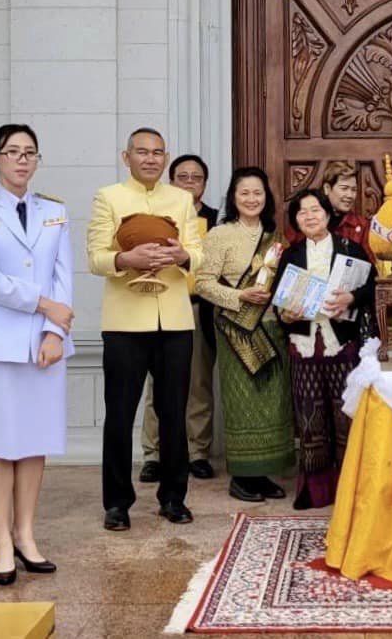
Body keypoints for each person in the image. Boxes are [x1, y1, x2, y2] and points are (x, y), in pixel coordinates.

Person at [0, 124, 72, 584]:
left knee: (34, 441)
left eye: (29, 153)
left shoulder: (55, 211)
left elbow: (62, 276)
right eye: (12, 152)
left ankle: (25, 534)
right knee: (0, 445)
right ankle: (0, 539)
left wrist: (53, 331)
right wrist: (43, 304)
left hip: (44, 341)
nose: (22, 160)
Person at [88, 127, 204, 531]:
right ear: (127, 157)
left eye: (157, 152)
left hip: (174, 319)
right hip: (124, 322)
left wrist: (183, 254)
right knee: (120, 414)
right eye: (142, 152)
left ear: (165, 156)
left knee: (173, 412)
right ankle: (117, 502)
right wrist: (127, 258)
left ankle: (173, 497)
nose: (151, 159)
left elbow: (199, 254)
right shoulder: (109, 197)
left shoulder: (182, 199)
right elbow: (95, 258)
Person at [196, 168, 296, 502]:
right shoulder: (220, 235)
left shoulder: (275, 237)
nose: (252, 199)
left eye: (258, 193)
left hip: (272, 328)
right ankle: (241, 476)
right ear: (233, 198)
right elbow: (203, 283)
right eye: (244, 193)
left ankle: (263, 473)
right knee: (243, 401)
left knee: (272, 401)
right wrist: (240, 297)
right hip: (236, 330)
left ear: (266, 197)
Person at [276, 188, 377, 509]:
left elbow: (372, 285)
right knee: (309, 418)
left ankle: (351, 491)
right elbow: (278, 301)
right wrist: (285, 314)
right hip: (304, 343)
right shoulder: (290, 255)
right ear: (295, 220)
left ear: (327, 213)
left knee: (346, 415)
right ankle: (315, 492)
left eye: (315, 210)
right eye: (302, 212)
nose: (309, 216)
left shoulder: (350, 248)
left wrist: (351, 298)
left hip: (341, 342)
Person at [141, 154, 219, 483]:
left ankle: (197, 452)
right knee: (156, 383)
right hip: (159, 304)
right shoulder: (153, 216)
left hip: (199, 307)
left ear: (204, 184)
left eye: (196, 177)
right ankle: (153, 454)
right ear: (171, 181)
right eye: (182, 177)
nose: (189, 183)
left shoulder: (216, 220)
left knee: (198, 383)